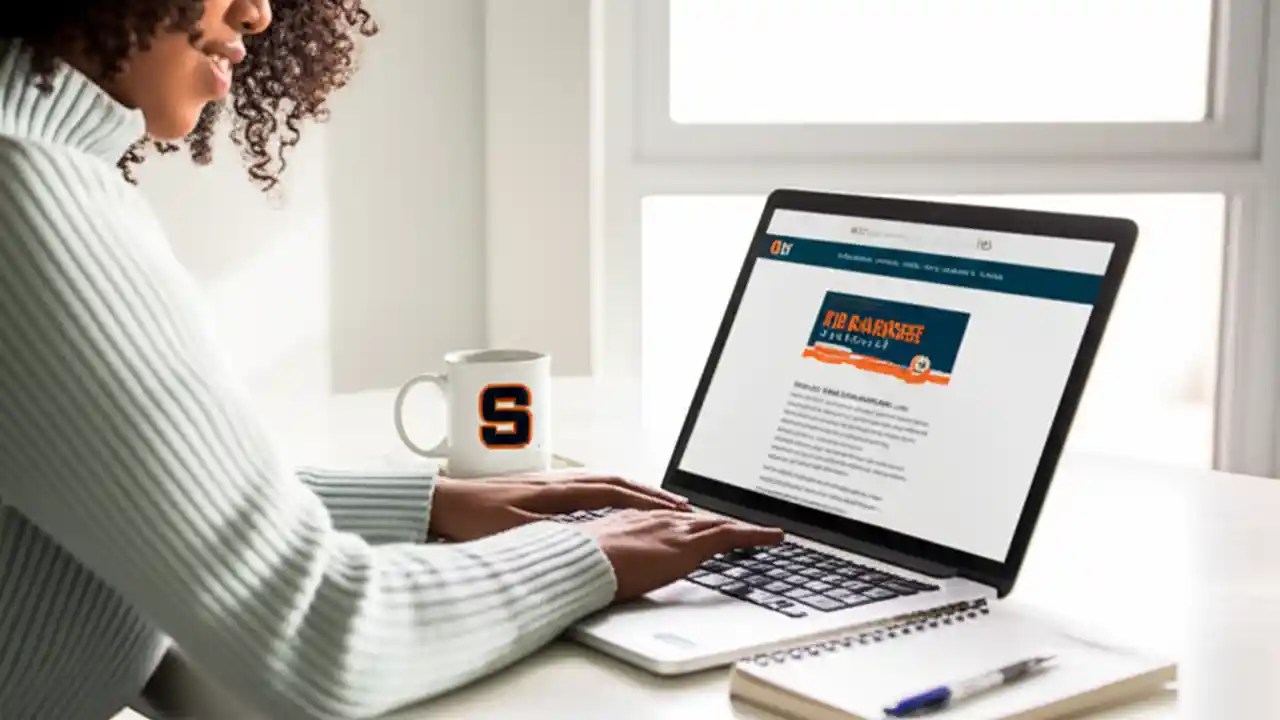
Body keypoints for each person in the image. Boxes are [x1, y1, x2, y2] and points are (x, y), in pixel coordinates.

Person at [0, 2, 783, 718]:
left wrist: (423, 502)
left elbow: (100, 482)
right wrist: (588, 552)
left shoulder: (38, 160)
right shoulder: (24, 189)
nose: (259, 11)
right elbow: (321, 639)